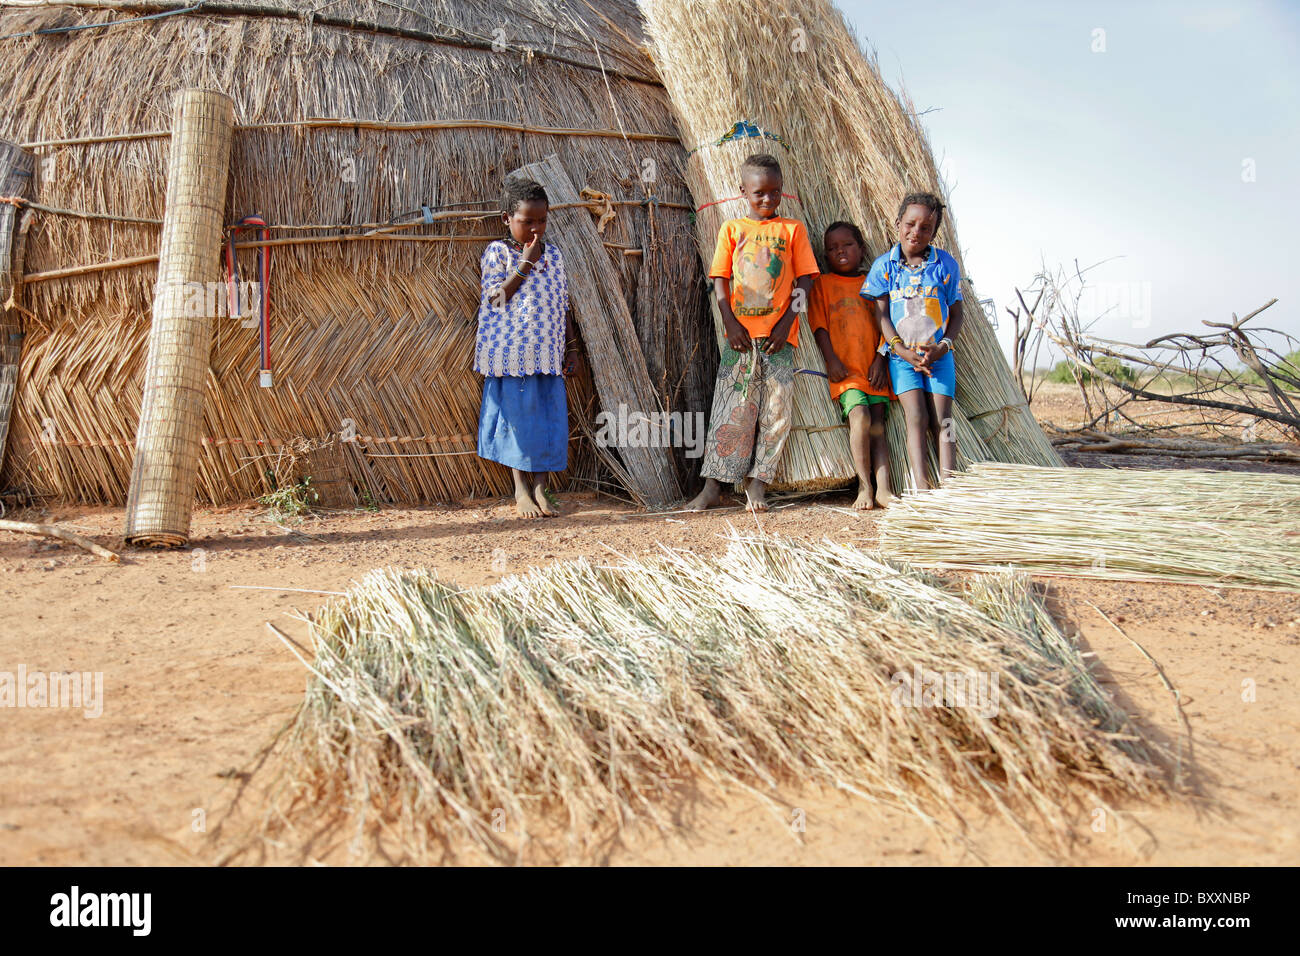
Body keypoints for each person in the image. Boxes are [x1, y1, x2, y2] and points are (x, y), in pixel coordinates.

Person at [686, 153, 819, 513]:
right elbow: (720, 279)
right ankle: (714, 485)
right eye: (759, 193)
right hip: (740, 339)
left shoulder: (792, 230)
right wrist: (729, 322)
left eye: (775, 192)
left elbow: (805, 279)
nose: (767, 199)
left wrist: (786, 323)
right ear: (743, 190)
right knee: (732, 408)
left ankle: (758, 484)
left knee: (776, 412)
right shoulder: (732, 229)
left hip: (780, 340)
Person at [474, 176, 579, 517]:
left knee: (548, 422)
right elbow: (496, 296)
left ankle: (541, 488)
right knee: (517, 423)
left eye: (542, 221)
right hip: (512, 357)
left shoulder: (556, 255)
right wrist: (526, 263)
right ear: (506, 218)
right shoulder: (498, 252)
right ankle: (520, 489)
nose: (536, 229)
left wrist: (572, 348)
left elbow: (562, 304)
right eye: (527, 221)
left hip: (547, 356)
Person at [862, 192, 964, 489]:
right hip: (902, 360)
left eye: (925, 228)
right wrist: (900, 350)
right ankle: (922, 485)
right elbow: (881, 316)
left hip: (940, 358)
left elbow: (957, 314)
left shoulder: (945, 265)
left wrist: (942, 347)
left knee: (944, 419)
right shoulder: (885, 267)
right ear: (898, 223)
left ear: (934, 232)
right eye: (910, 224)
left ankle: (950, 483)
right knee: (916, 417)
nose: (916, 232)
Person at [809, 221, 893, 510]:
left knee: (879, 426)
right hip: (846, 373)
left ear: (862, 249)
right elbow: (819, 325)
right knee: (859, 416)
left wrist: (881, 359)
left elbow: (888, 325)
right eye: (832, 248)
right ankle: (865, 486)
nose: (839, 251)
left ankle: (885, 489)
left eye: (847, 245)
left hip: (875, 369)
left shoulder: (873, 282)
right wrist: (831, 359)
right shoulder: (822, 284)